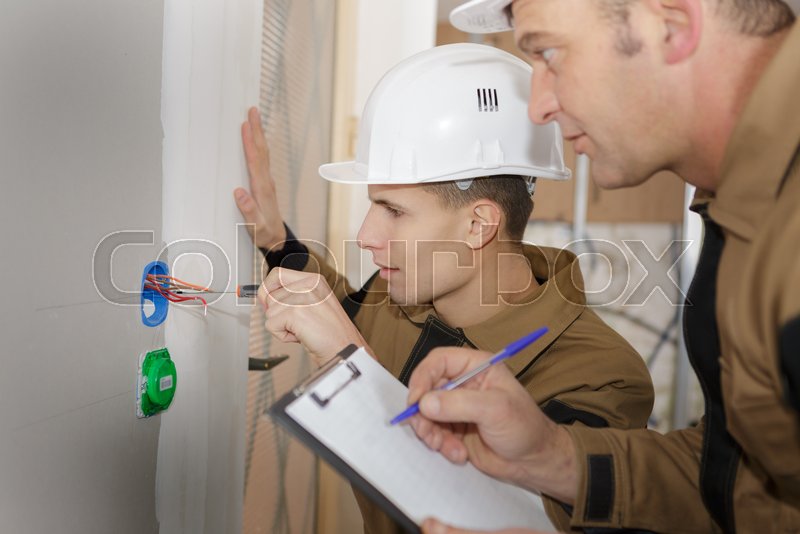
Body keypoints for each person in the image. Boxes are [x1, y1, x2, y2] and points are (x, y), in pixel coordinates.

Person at [407, 0, 800, 532]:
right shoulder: (744, 204)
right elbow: (741, 482)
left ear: (673, 23)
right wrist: (551, 456)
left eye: (548, 52)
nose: (538, 106)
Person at [234, 44, 655, 533]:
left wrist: (353, 365)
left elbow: (507, 517)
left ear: (478, 225)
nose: (367, 236)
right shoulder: (402, 297)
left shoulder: (601, 377)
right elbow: (344, 309)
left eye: (394, 210)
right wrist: (276, 241)